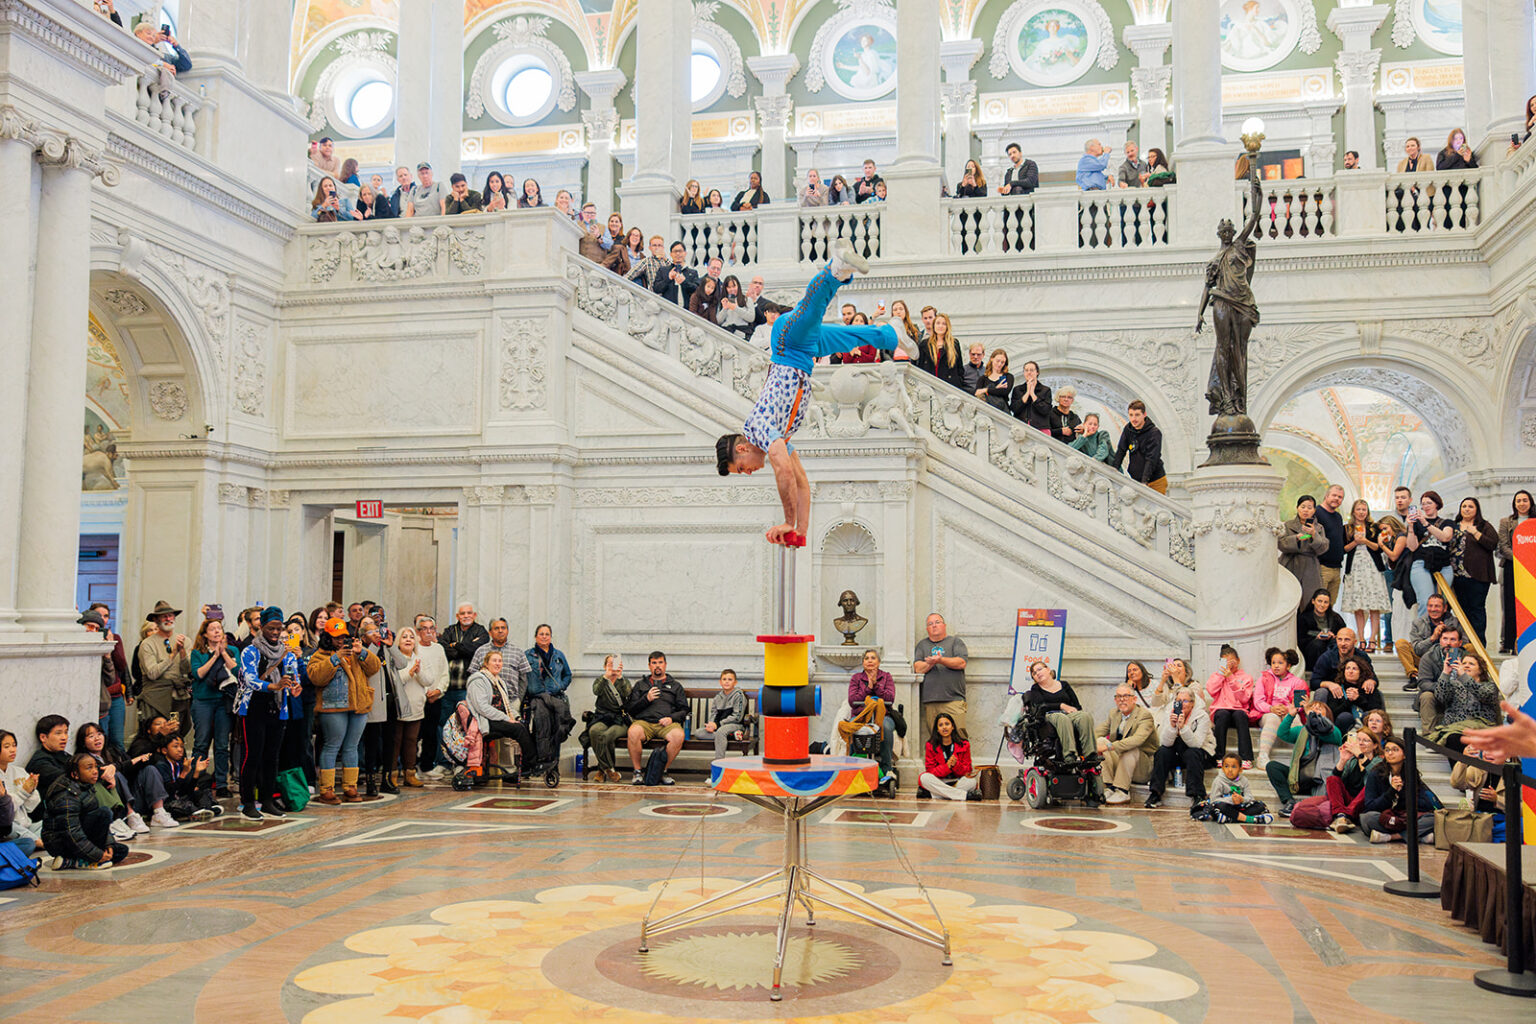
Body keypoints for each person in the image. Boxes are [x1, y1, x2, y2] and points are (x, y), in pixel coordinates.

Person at [714, 241, 898, 544]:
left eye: (742, 469)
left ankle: (835, 267)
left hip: (787, 344)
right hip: (805, 356)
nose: (748, 473)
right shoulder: (778, 437)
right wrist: (800, 530)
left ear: (742, 449)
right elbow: (801, 483)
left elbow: (783, 472)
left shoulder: (759, 431)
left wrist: (787, 521)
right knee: (848, 337)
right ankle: (891, 334)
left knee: (811, 310)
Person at [308, 617, 380, 804]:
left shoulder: (356, 652)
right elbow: (316, 677)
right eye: (337, 637)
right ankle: (326, 789)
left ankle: (350, 787)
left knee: (352, 746)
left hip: (358, 705)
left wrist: (361, 651)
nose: (341, 641)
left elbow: (374, 668)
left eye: (344, 637)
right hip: (333, 708)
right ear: (328, 637)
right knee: (332, 746)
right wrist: (335, 658)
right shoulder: (320, 655)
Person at [430, 604, 488, 777]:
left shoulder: (481, 631)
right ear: (457, 615)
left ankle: (461, 762)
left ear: (475, 615)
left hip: (468, 689)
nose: (466, 615)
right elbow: (444, 648)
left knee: (466, 727)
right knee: (443, 725)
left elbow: (475, 649)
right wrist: (462, 647)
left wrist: (457, 646)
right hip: (448, 688)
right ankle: (443, 762)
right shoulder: (449, 630)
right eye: (462, 613)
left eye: (469, 613)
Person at [41, 753, 128, 870]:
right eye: (89, 768)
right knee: (104, 813)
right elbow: (71, 833)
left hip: (78, 836)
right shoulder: (67, 795)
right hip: (61, 844)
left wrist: (108, 844)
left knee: (120, 851)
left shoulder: (85, 785)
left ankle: (71, 861)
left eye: (95, 766)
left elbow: (98, 825)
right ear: (75, 774)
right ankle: (78, 859)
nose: (95, 771)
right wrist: (97, 855)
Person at [466, 650, 535, 780]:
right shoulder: (478, 680)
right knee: (517, 729)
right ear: (486, 663)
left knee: (523, 725)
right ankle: (532, 764)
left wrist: (517, 717)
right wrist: (507, 719)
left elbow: (506, 705)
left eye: (500, 661)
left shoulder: (498, 681)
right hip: (484, 721)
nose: (498, 664)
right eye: (494, 661)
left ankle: (524, 767)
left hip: (497, 719)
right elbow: (482, 708)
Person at [188, 617, 238, 796]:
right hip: (203, 701)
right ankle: (196, 780)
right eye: (212, 629)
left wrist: (223, 654)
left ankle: (222, 783)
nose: (217, 631)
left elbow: (236, 670)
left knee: (222, 744)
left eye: (219, 628)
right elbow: (198, 673)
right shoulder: (197, 653)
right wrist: (214, 656)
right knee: (201, 742)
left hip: (223, 701)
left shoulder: (232, 650)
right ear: (205, 634)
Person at [1265, 699, 1340, 817]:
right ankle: (1289, 802)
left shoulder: (1333, 731)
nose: (1315, 711)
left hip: (1319, 777)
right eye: (1312, 708)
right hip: (1301, 776)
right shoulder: (1302, 730)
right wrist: (1290, 715)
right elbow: (1283, 734)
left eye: (1319, 709)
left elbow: (1326, 731)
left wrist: (1314, 717)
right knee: (1272, 766)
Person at [624, 651, 689, 785]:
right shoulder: (640, 685)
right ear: (649, 666)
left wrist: (671, 718)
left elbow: (684, 710)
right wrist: (646, 699)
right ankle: (637, 772)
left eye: (660, 663)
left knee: (678, 735)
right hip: (644, 723)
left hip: (667, 724)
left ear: (665, 665)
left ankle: (661, 771)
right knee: (633, 732)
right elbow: (631, 709)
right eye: (654, 663)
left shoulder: (675, 686)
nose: (657, 666)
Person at [1360, 736, 1437, 844]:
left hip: (1405, 818)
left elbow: (1425, 804)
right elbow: (1370, 806)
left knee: (1433, 819)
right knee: (1367, 818)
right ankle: (1418, 836)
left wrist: (1403, 793)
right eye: (1387, 750)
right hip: (1386, 818)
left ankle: (1392, 837)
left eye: (1395, 750)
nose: (1390, 753)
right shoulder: (1376, 773)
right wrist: (1391, 791)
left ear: (1405, 754)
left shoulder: (1410, 773)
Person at [1144, 686, 1213, 808]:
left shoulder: (1202, 716)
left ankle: (1197, 795)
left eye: (1185, 701)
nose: (1181, 704)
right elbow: (1165, 743)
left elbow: (1196, 744)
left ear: (1192, 703)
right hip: (1177, 752)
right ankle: (1156, 793)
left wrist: (1183, 728)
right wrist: (1172, 726)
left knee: (1192, 753)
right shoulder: (1169, 713)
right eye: (1178, 701)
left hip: (1199, 753)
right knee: (1162, 752)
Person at [1337, 499, 1390, 650]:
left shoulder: (1375, 528)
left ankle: (1372, 639)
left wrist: (1365, 540)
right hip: (1354, 567)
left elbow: (1379, 548)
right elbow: (1343, 549)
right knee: (1358, 606)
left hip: (1372, 566)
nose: (1361, 512)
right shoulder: (1346, 528)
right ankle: (1361, 639)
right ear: (1353, 511)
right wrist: (1355, 542)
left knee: (1374, 605)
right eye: (1358, 509)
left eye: (1364, 509)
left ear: (1367, 512)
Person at [1449, 496, 1498, 649]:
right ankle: (1465, 644)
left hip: (1478, 575)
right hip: (1457, 576)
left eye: (1470, 506)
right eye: (1464, 506)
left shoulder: (1483, 525)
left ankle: (1478, 646)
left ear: (1476, 509)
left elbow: (1493, 544)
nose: (1467, 509)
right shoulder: (1454, 526)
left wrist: (1476, 533)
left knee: (1476, 609)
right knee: (1462, 612)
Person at [138, 600, 193, 736]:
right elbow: (152, 673)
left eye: (171, 615)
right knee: (157, 734)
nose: (168, 619)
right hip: (155, 698)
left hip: (177, 698)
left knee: (175, 733)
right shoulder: (147, 644)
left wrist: (182, 654)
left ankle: (176, 758)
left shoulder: (184, 640)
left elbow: (188, 671)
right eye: (164, 616)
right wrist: (172, 654)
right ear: (156, 620)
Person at [1095, 685, 1157, 804]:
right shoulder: (1114, 713)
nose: (1122, 699)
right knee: (1100, 741)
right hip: (1121, 760)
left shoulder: (1144, 715)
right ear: (1115, 700)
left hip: (1141, 766)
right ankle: (1109, 786)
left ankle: (1122, 791)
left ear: (1134, 699)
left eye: (1125, 696)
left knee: (1130, 748)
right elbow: (1097, 732)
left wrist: (1109, 746)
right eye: (1118, 696)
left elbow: (1137, 740)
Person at [1427, 653, 1502, 750]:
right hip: (1455, 727)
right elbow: (1441, 697)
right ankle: (1458, 765)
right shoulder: (1454, 684)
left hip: (1481, 727)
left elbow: (1482, 694)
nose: (1466, 665)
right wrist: (1445, 673)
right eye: (1464, 663)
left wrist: (1463, 676)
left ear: (1480, 670)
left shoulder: (1490, 686)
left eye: (1471, 664)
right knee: (1453, 738)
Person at [1024, 662, 1096, 762]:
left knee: (1084, 716)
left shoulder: (1064, 685)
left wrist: (1075, 711)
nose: (1038, 673)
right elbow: (1041, 707)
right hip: (1049, 716)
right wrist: (1061, 706)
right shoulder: (1036, 689)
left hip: (1068, 714)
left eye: (1039, 669)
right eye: (1034, 673)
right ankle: (1069, 754)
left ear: (1048, 669)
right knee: (1062, 718)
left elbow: (1077, 705)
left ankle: (1089, 753)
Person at [913, 613, 969, 739]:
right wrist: (931, 663)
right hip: (931, 701)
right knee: (935, 739)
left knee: (959, 737)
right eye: (930, 624)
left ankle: (961, 759)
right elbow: (918, 668)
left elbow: (961, 663)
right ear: (927, 629)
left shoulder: (955, 642)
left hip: (954, 699)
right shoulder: (922, 645)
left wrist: (941, 660)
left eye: (937, 622)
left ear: (944, 625)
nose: (934, 626)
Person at [846, 650, 896, 781]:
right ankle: (853, 769)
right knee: (852, 727)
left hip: (884, 715)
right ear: (863, 663)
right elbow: (852, 701)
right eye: (866, 658)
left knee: (885, 726)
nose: (869, 660)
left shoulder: (886, 677)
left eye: (873, 658)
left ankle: (887, 769)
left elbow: (890, 698)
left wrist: (876, 685)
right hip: (860, 716)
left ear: (878, 662)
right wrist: (868, 687)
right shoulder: (856, 678)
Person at [87, 603, 131, 749]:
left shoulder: (114, 637)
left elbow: (122, 665)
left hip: (115, 694)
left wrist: (110, 645)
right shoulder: (84, 640)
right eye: (99, 615)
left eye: (106, 616)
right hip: (97, 697)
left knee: (117, 739)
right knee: (100, 740)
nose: (103, 618)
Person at [1254, 647, 1308, 765]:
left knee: (1296, 719)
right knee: (1273, 718)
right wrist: (1271, 708)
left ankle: (1301, 756)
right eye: (1273, 663)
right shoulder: (1264, 679)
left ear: (1288, 666)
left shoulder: (1298, 682)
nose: (1276, 666)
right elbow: (1257, 701)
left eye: (1280, 663)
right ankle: (1262, 756)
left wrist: (1288, 709)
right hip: (1268, 713)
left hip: (1289, 712)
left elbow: (1300, 705)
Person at [1206, 645, 1256, 767]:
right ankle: (1218, 756)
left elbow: (1244, 698)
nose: (1229, 664)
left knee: (1240, 715)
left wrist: (1231, 677)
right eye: (1225, 661)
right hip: (1221, 711)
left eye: (1232, 661)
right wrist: (1222, 675)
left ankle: (1246, 757)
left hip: (1238, 711)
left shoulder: (1246, 678)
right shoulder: (1216, 676)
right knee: (1222, 714)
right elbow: (1211, 690)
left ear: (1238, 661)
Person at [1498, 490, 1534, 654]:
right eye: (1518, 500)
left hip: (1533, 568)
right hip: (1512, 567)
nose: (1521, 503)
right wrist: (1520, 559)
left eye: (1524, 500)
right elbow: (1503, 546)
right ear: (1514, 504)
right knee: (1511, 606)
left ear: (1530, 502)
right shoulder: (1506, 521)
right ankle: (1509, 642)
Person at [585, 655, 632, 782]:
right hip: (603, 717)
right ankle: (609, 769)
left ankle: (602, 770)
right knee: (594, 731)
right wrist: (606, 676)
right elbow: (596, 691)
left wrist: (620, 676)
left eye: (615, 664)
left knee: (607, 736)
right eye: (610, 664)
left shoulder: (624, 681)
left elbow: (628, 694)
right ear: (605, 666)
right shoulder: (601, 680)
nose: (612, 666)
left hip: (619, 720)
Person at [1404, 490, 1454, 610]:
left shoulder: (1447, 522)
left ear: (1436, 504)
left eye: (1429, 503)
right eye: (1423, 504)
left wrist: (1425, 523)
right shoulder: (1416, 524)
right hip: (1421, 563)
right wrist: (1411, 527)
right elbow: (1412, 547)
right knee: (1426, 602)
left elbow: (1445, 537)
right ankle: (1425, 629)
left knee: (1443, 603)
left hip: (1444, 564)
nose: (1425, 506)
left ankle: (1441, 628)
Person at [1280, 499, 1329, 613]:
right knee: (1289, 598)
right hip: (1290, 563)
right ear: (1297, 508)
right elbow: (1280, 543)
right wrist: (1296, 538)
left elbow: (1323, 547)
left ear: (1314, 510)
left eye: (1309, 507)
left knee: (1310, 600)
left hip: (1311, 566)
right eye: (1303, 507)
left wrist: (1314, 534)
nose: (1306, 510)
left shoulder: (1319, 528)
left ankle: (1306, 628)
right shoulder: (1288, 525)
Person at [1396, 592, 1452, 692]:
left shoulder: (1455, 622)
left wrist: (1446, 635)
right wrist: (1432, 638)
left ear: (1445, 608)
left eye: (1437, 606)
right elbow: (1417, 649)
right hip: (1423, 659)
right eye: (1430, 606)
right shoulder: (1418, 622)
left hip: (1447, 660)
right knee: (1401, 643)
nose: (1433, 609)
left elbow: (1462, 645)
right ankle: (1414, 677)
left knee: (1470, 647)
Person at [1414, 622, 1465, 732]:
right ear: (1440, 640)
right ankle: (1429, 737)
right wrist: (1443, 687)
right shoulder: (1429, 657)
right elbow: (1423, 683)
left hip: (1460, 694)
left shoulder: (1467, 657)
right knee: (1426, 696)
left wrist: (1463, 675)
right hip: (1435, 694)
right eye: (1445, 639)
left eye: (1452, 640)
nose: (1448, 643)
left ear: (1460, 643)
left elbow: (1476, 680)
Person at [1, 730, 43, 855]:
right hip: (8, 830)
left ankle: (37, 840)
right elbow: (5, 811)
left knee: (54, 821)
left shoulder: (19, 771)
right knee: (27, 842)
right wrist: (24, 792)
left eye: (14, 745)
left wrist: (31, 789)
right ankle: (38, 842)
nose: (12, 750)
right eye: (6, 747)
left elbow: (30, 808)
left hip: (27, 825)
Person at [918, 712, 978, 801]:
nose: (944, 727)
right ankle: (964, 795)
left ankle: (935, 794)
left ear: (952, 727)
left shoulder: (964, 744)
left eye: (947, 724)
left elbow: (968, 770)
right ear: (937, 729)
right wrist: (947, 767)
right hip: (940, 781)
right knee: (924, 777)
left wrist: (956, 765)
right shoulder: (930, 745)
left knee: (972, 781)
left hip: (958, 781)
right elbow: (930, 771)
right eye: (941, 725)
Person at [1110, 400, 1166, 493]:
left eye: (1137, 415)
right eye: (1131, 415)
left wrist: (1144, 481)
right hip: (1135, 479)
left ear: (1144, 415)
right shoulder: (1128, 429)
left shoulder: (1154, 433)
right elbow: (1121, 450)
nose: (1133, 419)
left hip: (1155, 480)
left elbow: (1151, 459)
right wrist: (1113, 469)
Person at [1208, 754, 1272, 824]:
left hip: (1239, 807)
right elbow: (1214, 800)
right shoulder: (1218, 781)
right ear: (1222, 768)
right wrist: (1231, 800)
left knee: (1260, 806)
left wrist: (1242, 799)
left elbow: (1250, 797)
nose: (1230, 770)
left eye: (1234, 767)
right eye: (1226, 766)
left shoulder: (1244, 780)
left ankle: (1230, 819)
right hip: (1226, 806)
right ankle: (1249, 819)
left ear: (1240, 769)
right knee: (1217, 807)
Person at [1311, 486, 1347, 608]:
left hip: (1336, 569)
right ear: (1326, 496)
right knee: (1318, 605)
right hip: (1321, 567)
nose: (1337, 499)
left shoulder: (1338, 517)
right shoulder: (1316, 513)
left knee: (1329, 606)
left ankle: (1326, 628)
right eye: (1334, 495)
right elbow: (1307, 536)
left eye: (1340, 497)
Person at [704, 668, 748, 760]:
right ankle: (732, 735)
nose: (727, 682)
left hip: (736, 725)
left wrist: (718, 725)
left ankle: (719, 764)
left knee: (721, 732)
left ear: (735, 682)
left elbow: (737, 717)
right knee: (699, 733)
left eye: (730, 679)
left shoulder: (738, 695)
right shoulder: (718, 697)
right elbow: (714, 713)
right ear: (720, 682)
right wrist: (711, 724)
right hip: (719, 726)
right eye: (724, 679)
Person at [916, 314, 964, 390]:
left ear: (947, 327)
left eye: (944, 324)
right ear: (934, 326)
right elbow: (920, 366)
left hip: (949, 386)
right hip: (929, 386)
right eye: (938, 323)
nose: (940, 326)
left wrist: (959, 382)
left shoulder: (954, 344)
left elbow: (960, 368)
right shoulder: (924, 344)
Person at [1009, 361, 1052, 430]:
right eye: (1026, 370)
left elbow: (1045, 410)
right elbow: (1014, 409)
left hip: (1041, 428)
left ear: (1037, 372)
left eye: (1032, 370)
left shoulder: (1046, 390)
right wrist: (1027, 393)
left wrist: (1032, 393)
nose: (1029, 372)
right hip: (1020, 427)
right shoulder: (1017, 389)